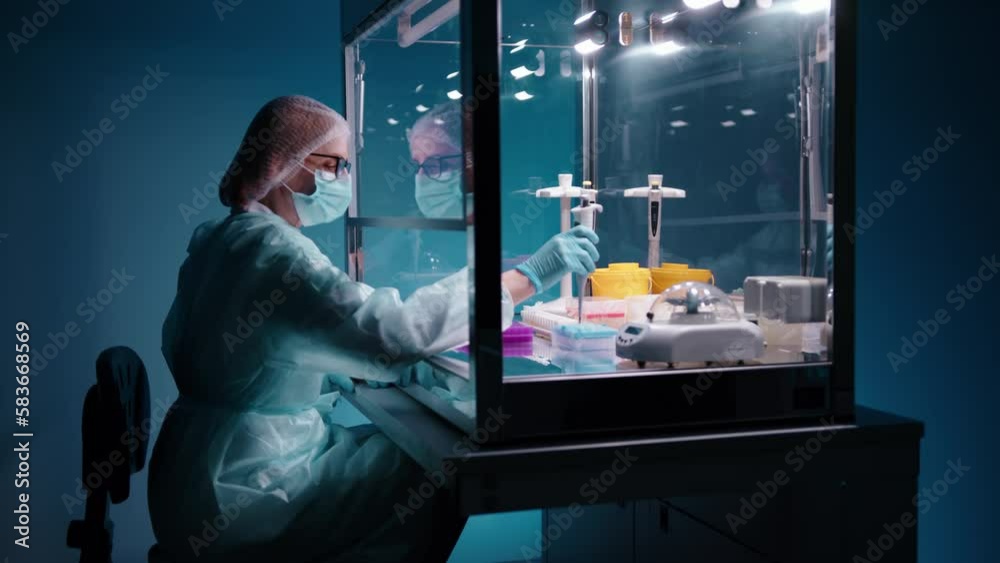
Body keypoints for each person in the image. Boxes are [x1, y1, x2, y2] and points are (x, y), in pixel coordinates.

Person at [148, 95, 598, 562]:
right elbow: (391, 334)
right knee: (438, 467)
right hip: (247, 491)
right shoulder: (275, 255)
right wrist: (526, 277)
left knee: (401, 454)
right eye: (337, 166)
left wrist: (331, 367)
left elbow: (282, 339)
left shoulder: (226, 238)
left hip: (198, 470)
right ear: (291, 164)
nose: (344, 180)